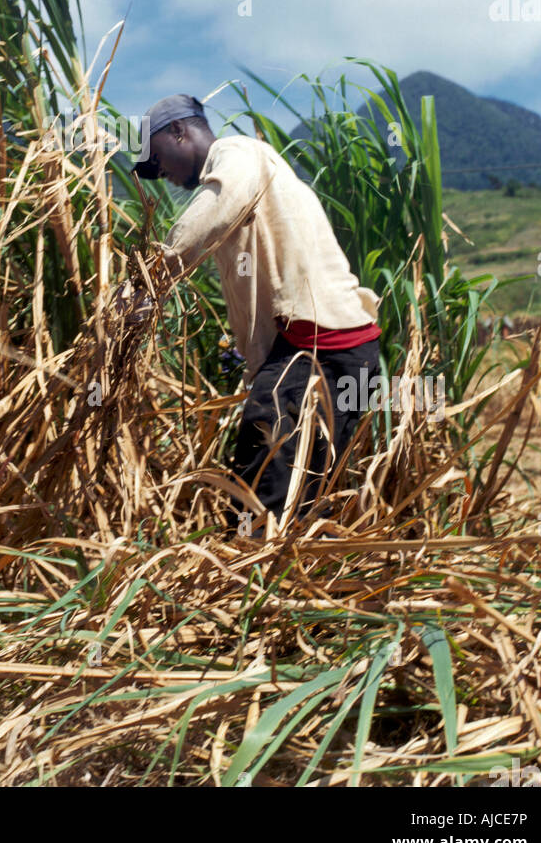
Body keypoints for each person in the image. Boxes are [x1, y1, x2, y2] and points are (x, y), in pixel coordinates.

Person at [126, 94, 381, 531]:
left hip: (317, 341)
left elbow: (206, 219)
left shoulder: (239, 155)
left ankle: (245, 569)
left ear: (179, 132)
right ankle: (282, 576)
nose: (161, 174)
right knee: (304, 481)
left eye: (157, 158)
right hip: (343, 345)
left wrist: (146, 282)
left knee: (265, 460)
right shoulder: (250, 172)